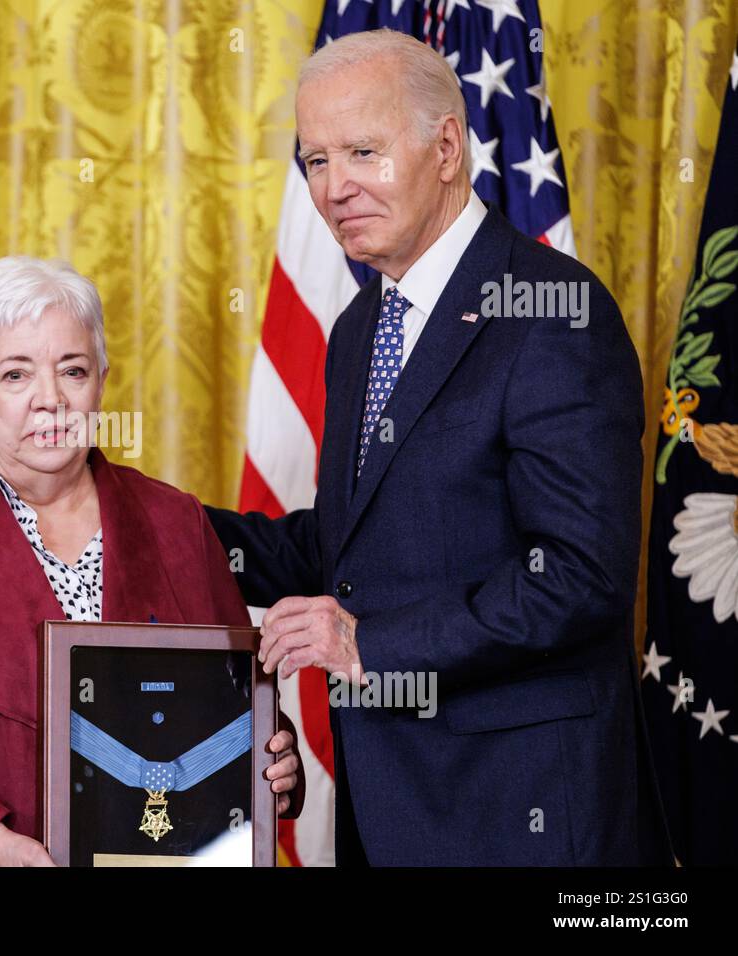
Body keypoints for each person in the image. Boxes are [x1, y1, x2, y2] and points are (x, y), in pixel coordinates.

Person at [205, 29, 674, 865]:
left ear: (447, 147)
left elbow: (582, 575)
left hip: (522, 815)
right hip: (391, 811)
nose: (335, 187)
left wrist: (364, 645)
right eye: (314, 161)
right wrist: (140, 516)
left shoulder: (549, 310)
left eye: (362, 151)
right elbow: (355, 549)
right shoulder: (358, 329)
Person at [0, 256, 304, 866]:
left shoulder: (176, 520)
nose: (50, 400)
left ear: (101, 381)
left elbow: (231, 702)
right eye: (16, 376)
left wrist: (273, 757)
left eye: (71, 370)